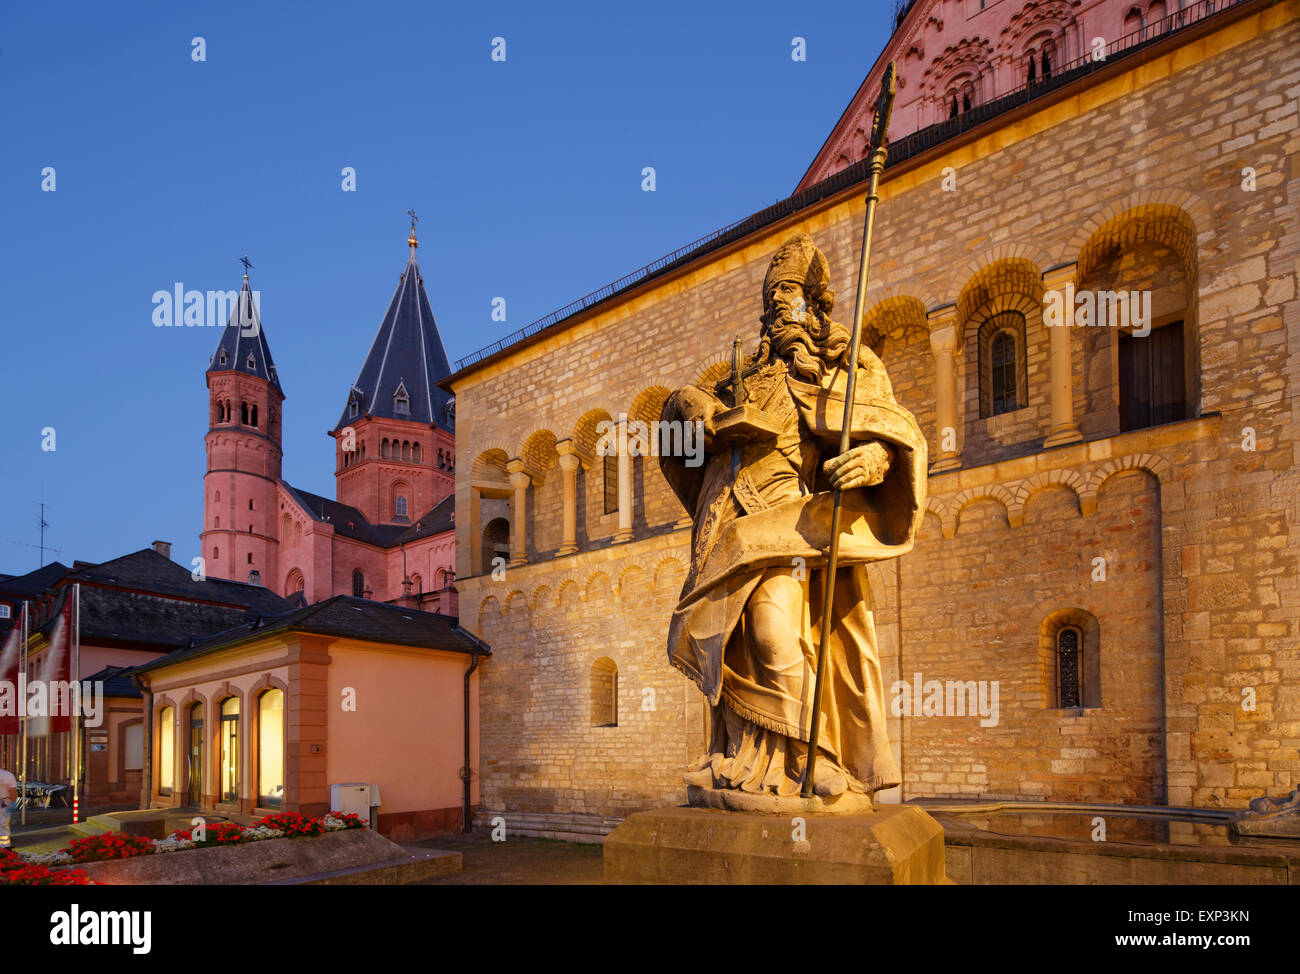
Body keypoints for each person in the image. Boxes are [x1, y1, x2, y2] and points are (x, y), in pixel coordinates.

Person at [660, 232, 926, 803]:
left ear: (815, 304)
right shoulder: (739, 378)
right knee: (727, 643)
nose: (781, 304)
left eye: (791, 293)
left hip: (782, 520)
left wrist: (874, 459)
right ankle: (733, 758)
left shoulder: (840, 369)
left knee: (774, 633)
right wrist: (688, 408)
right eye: (773, 295)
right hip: (720, 515)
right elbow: (679, 443)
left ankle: (813, 757)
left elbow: (892, 430)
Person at [0, 764, 17, 849]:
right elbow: (13, 791)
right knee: (3, 824)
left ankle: (5, 846)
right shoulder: (8, 775)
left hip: (4, 802)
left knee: (3, 824)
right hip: (4, 801)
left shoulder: (7, 775)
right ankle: (5, 846)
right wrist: (13, 802)